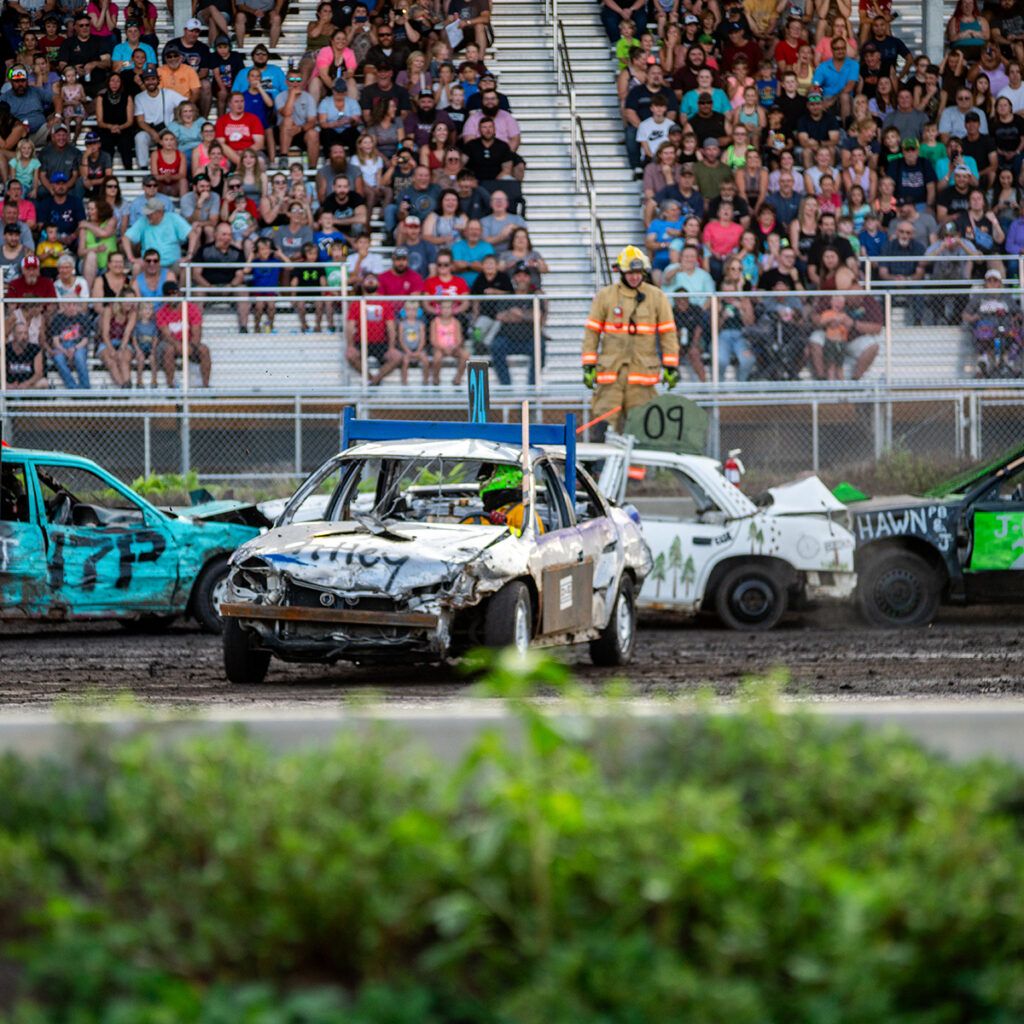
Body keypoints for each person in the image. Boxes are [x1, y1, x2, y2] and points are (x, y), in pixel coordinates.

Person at [582, 245, 679, 437]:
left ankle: (636, 469)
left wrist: (671, 367)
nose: (634, 277)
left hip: (642, 377)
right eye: (630, 273)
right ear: (621, 272)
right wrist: (588, 365)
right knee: (603, 428)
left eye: (638, 272)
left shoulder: (656, 297)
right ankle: (599, 468)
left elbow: (668, 333)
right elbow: (592, 332)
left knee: (640, 431)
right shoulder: (606, 296)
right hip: (611, 376)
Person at [155, 280, 210, 387]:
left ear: (179, 294)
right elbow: (166, 335)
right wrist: (178, 346)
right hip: (172, 344)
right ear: (164, 297)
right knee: (168, 350)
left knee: (204, 350)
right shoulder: (161, 312)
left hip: (189, 343)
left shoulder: (191, 308)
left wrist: (191, 346)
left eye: (174, 293)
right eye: (168, 294)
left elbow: (197, 332)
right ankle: (171, 385)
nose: (172, 297)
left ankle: (205, 386)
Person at [462, 465, 543, 534]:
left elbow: (532, 540)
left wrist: (502, 529)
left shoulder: (521, 511)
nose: (482, 480)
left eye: (486, 476)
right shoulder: (482, 515)